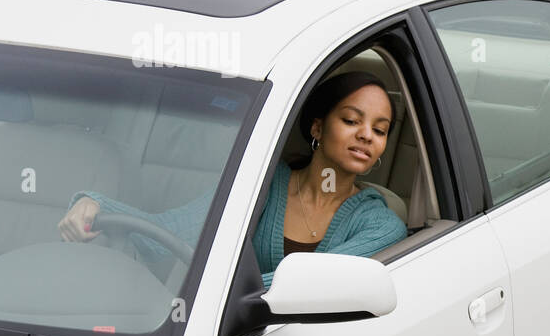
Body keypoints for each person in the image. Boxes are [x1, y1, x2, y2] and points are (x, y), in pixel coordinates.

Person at [58, 71, 409, 287]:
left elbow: (312, 286)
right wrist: (96, 204)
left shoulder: (381, 226)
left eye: (380, 130)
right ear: (317, 126)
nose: (366, 135)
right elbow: (168, 232)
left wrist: (223, 299)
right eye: (351, 120)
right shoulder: (259, 187)